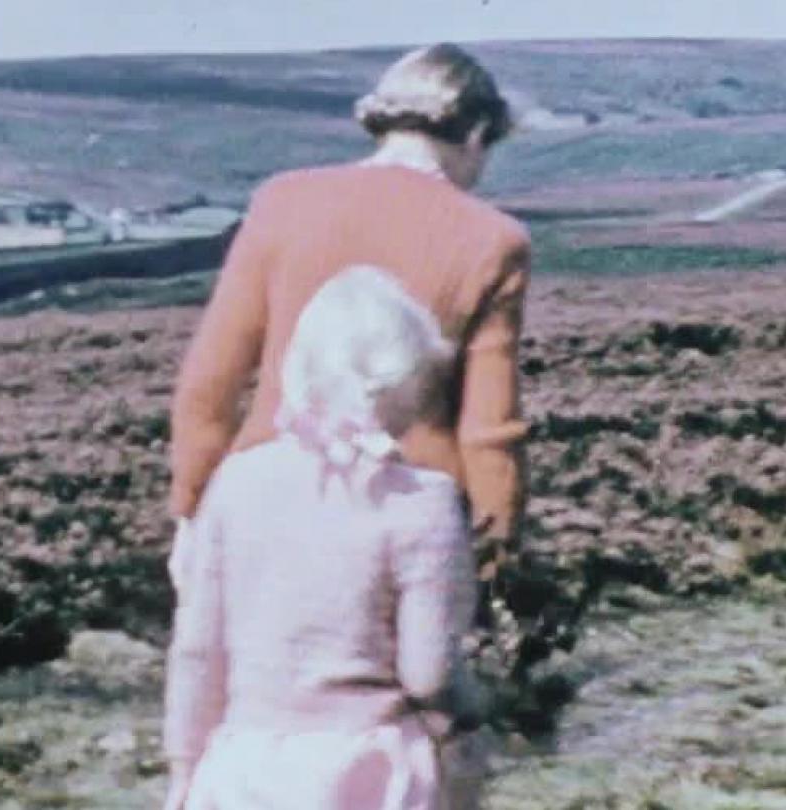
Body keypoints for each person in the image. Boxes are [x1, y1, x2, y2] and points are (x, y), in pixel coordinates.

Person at [170, 43, 531, 575]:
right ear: (477, 134)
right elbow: (489, 429)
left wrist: (191, 509)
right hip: (415, 517)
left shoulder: (282, 201)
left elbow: (210, 385)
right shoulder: (495, 238)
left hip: (268, 503)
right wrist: (498, 550)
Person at [162, 267, 486, 810]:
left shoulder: (237, 482)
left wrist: (184, 767)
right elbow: (428, 671)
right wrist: (465, 727)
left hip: (246, 769)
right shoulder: (422, 502)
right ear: (409, 380)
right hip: (371, 770)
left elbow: (198, 649)